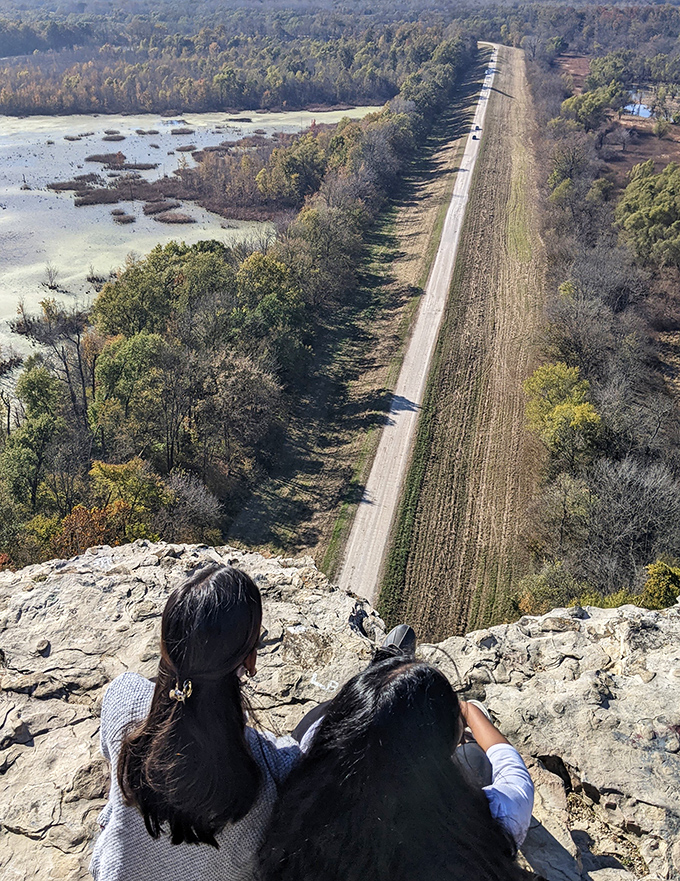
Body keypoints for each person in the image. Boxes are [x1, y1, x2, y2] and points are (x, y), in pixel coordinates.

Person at [90, 563, 301, 881]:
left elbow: (118, 751)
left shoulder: (123, 700)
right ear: (250, 660)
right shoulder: (266, 776)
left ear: (165, 644)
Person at [260, 648, 535, 881]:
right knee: (475, 757)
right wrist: (469, 711)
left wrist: (382, 699)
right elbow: (512, 770)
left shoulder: (298, 801)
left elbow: (337, 726)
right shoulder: (478, 828)